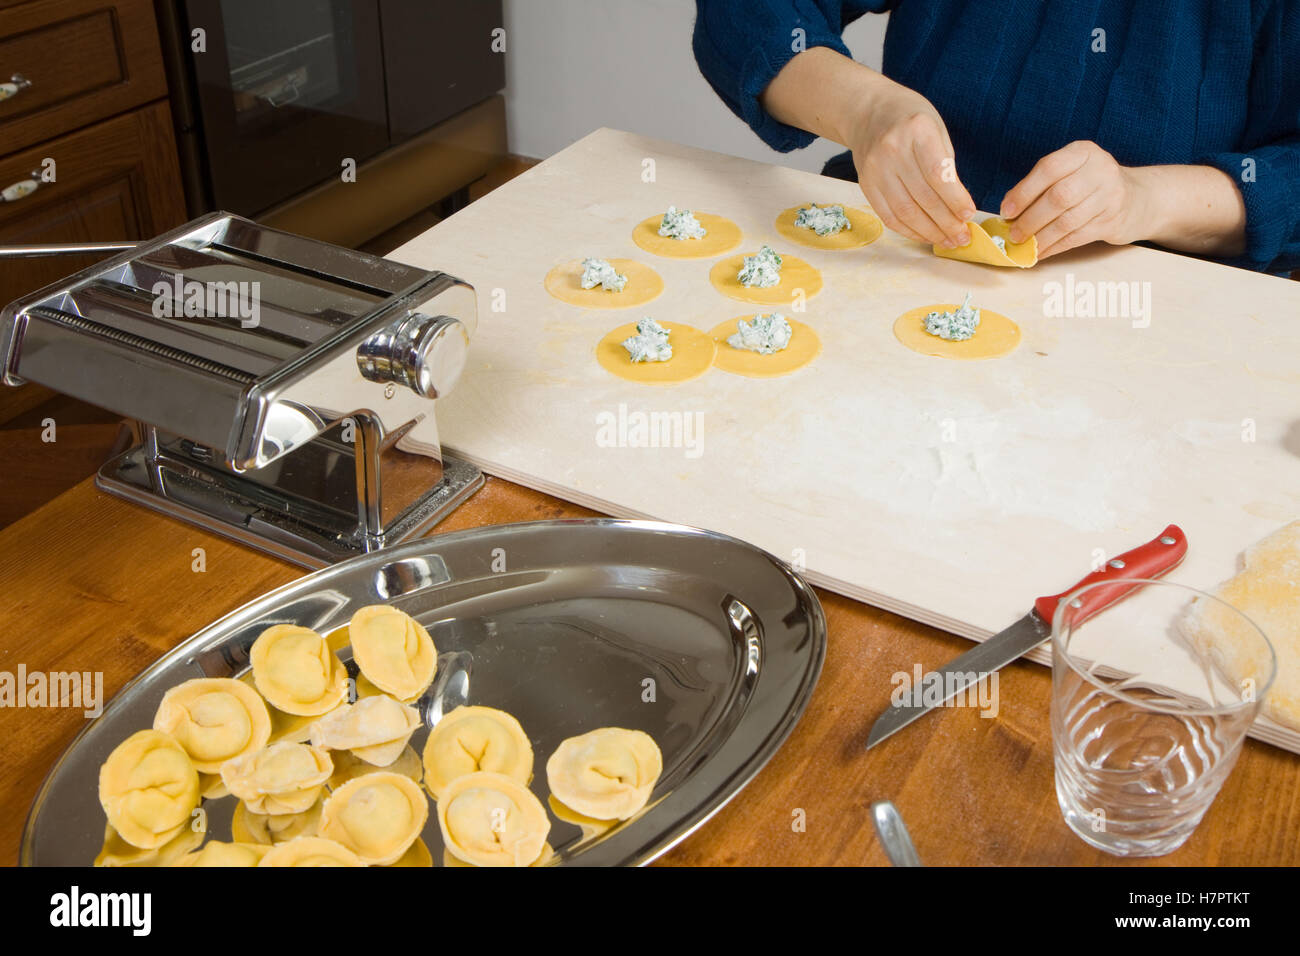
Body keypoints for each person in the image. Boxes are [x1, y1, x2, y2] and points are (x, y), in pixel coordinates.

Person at [693, 1, 1300, 274]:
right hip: (886, 253)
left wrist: (1145, 199)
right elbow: (746, 12)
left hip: (1153, 318)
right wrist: (867, 108)